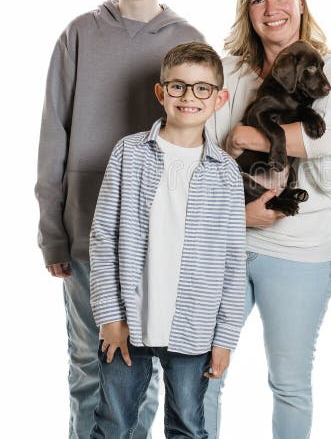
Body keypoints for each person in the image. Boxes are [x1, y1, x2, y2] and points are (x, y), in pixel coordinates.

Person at [34, 0, 204, 438]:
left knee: (145, 371)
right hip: (87, 232)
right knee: (90, 365)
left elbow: (200, 146)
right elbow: (53, 137)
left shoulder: (186, 40)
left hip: (161, 238)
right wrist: (52, 233)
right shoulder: (79, 36)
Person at [203, 0, 331, 439]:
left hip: (298, 253)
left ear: (301, 2)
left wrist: (252, 137)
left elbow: (326, 149)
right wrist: (240, 213)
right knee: (202, 372)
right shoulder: (230, 73)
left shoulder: (329, 68)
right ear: (247, 11)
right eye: (259, 0)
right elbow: (209, 161)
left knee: (288, 383)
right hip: (229, 243)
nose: (273, 9)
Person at [89, 42, 246, 439]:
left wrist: (224, 338)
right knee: (114, 424)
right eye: (177, 87)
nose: (189, 97)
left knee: (189, 427)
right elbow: (104, 237)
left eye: (201, 89)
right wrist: (110, 316)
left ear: (219, 98)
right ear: (161, 93)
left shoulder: (225, 173)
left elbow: (232, 260)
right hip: (127, 322)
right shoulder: (128, 154)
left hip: (195, 331)